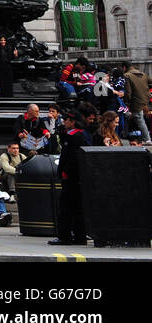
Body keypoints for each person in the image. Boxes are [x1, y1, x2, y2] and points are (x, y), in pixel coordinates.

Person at [51, 105, 95, 246]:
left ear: (72, 121)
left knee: (66, 208)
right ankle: (79, 236)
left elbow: (70, 158)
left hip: (70, 178)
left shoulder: (73, 136)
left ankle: (64, 236)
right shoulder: (84, 134)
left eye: (66, 120)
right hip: (80, 178)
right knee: (78, 209)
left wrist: (64, 173)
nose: (64, 123)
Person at [125, 62, 149, 138]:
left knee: (139, 120)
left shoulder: (127, 76)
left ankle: (147, 138)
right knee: (140, 119)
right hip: (144, 100)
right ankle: (145, 137)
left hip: (135, 101)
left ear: (124, 68)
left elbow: (128, 92)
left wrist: (127, 103)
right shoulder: (143, 75)